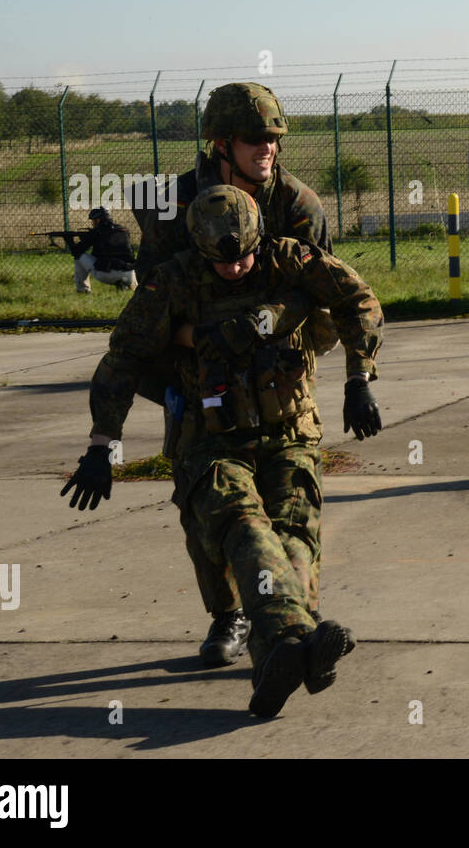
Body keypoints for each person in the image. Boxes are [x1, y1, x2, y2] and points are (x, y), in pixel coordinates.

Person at [61, 184, 385, 717]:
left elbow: (360, 301)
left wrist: (359, 378)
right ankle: (294, 639)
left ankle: (284, 652)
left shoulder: (289, 259)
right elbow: (122, 359)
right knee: (245, 526)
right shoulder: (173, 281)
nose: (233, 270)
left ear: (258, 238)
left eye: (242, 259)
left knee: (294, 532)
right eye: (220, 263)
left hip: (288, 433)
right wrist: (101, 446)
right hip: (210, 441)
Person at [133, 82, 340, 668]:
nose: (268, 148)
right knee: (205, 505)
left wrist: (267, 321)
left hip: (279, 371)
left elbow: (320, 292)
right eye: (255, 138)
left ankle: (295, 613)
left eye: (275, 137)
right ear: (220, 143)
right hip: (200, 372)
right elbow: (150, 304)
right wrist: (200, 340)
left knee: (292, 498)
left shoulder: (297, 204)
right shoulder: (171, 206)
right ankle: (230, 614)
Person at [67, 207, 137, 293]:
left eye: (95, 220)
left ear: (100, 220)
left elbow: (76, 251)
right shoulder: (123, 230)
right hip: (130, 274)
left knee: (79, 256)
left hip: (107, 274)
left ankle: (83, 290)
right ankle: (124, 285)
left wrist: (69, 241)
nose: (93, 223)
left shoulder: (96, 233)